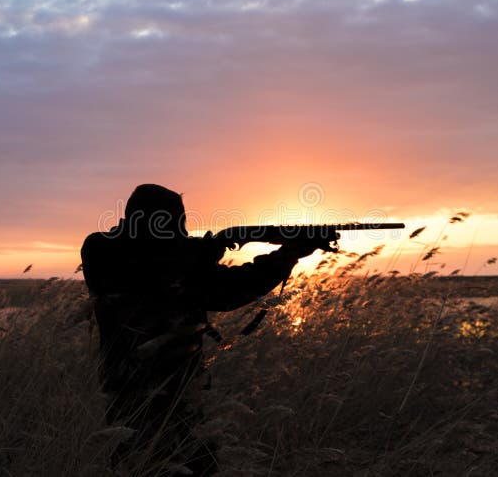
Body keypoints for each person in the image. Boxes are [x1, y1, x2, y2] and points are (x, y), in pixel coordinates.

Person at [80, 184, 324, 475]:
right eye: (177, 223)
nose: (183, 231)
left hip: (129, 393)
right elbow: (234, 289)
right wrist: (288, 255)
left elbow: (176, 264)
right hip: (171, 397)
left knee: (139, 463)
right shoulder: (114, 253)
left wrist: (209, 252)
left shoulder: (103, 253)